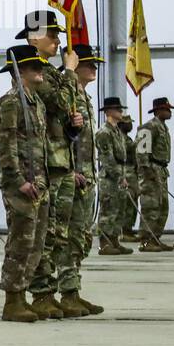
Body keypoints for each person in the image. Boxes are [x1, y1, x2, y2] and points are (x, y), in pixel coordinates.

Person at [20, 10, 84, 318]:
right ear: (34, 37)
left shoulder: (51, 71)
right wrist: (70, 72)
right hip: (45, 162)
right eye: (53, 35)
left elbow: (64, 112)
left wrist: (74, 124)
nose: (59, 40)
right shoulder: (34, 70)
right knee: (45, 234)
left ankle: (66, 291)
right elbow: (58, 101)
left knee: (63, 233)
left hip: (61, 158)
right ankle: (42, 293)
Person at [0, 46, 51, 322]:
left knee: (36, 242)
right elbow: (5, 147)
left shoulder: (36, 102)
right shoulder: (11, 103)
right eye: (33, 67)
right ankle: (12, 300)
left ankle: (23, 294)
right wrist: (18, 180)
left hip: (39, 181)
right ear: (19, 72)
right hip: (21, 184)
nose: (39, 70)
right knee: (21, 241)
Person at [59, 43, 105, 315]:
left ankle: (73, 290)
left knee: (81, 237)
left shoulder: (83, 97)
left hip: (87, 175)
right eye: (89, 64)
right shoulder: (69, 97)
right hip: (74, 176)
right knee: (70, 237)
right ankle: (67, 292)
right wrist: (72, 169)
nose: (94, 68)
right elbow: (62, 138)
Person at [136, 96, 174, 252]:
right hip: (151, 169)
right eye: (166, 109)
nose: (169, 112)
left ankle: (155, 238)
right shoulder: (149, 127)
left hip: (161, 169)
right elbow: (141, 151)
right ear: (159, 110)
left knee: (163, 207)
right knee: (150, 206)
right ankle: (146, 240)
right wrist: (146, 170)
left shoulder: (163, 127)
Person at [95, 96, 133, 255]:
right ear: (109, 111)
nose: (121, 111)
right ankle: (104, 243)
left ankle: (114, 241)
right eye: (118, 109)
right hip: (110, 177)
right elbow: (108, 158)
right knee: (108, 210)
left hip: (120, 174)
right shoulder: (104, 132)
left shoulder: (117, 131)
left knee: (119, 209)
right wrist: (119, 177)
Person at [120, 114, 141, 243]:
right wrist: (137, 142)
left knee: (133, 200)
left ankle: (129, 227)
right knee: (127, 202)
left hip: (132, 172)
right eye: (127, 123)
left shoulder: (127, 138)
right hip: (125, 171)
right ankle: (124, 229)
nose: (130, 125)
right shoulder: (120, 138)